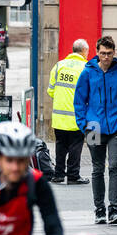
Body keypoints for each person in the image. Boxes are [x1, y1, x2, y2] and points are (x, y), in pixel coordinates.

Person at [73, 35, 117, 226]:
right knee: (97, 168)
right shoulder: (87, 73)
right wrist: (83, 124)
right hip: (93, 128)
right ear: (97, 52)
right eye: (102, 53)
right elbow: (79, 101)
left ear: (114, 52)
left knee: (114, 166)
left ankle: (114, 210)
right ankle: (99, 210)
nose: (106, 57)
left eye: (109, 53)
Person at [46, 39, 89, 184]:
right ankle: (73, 176)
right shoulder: (86, 68)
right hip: (76, 116)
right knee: (75, 146)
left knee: (60, 145)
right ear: (83, 51)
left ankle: (58, 175)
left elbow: (50, 90)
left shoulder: (59, 66)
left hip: (59, 116)